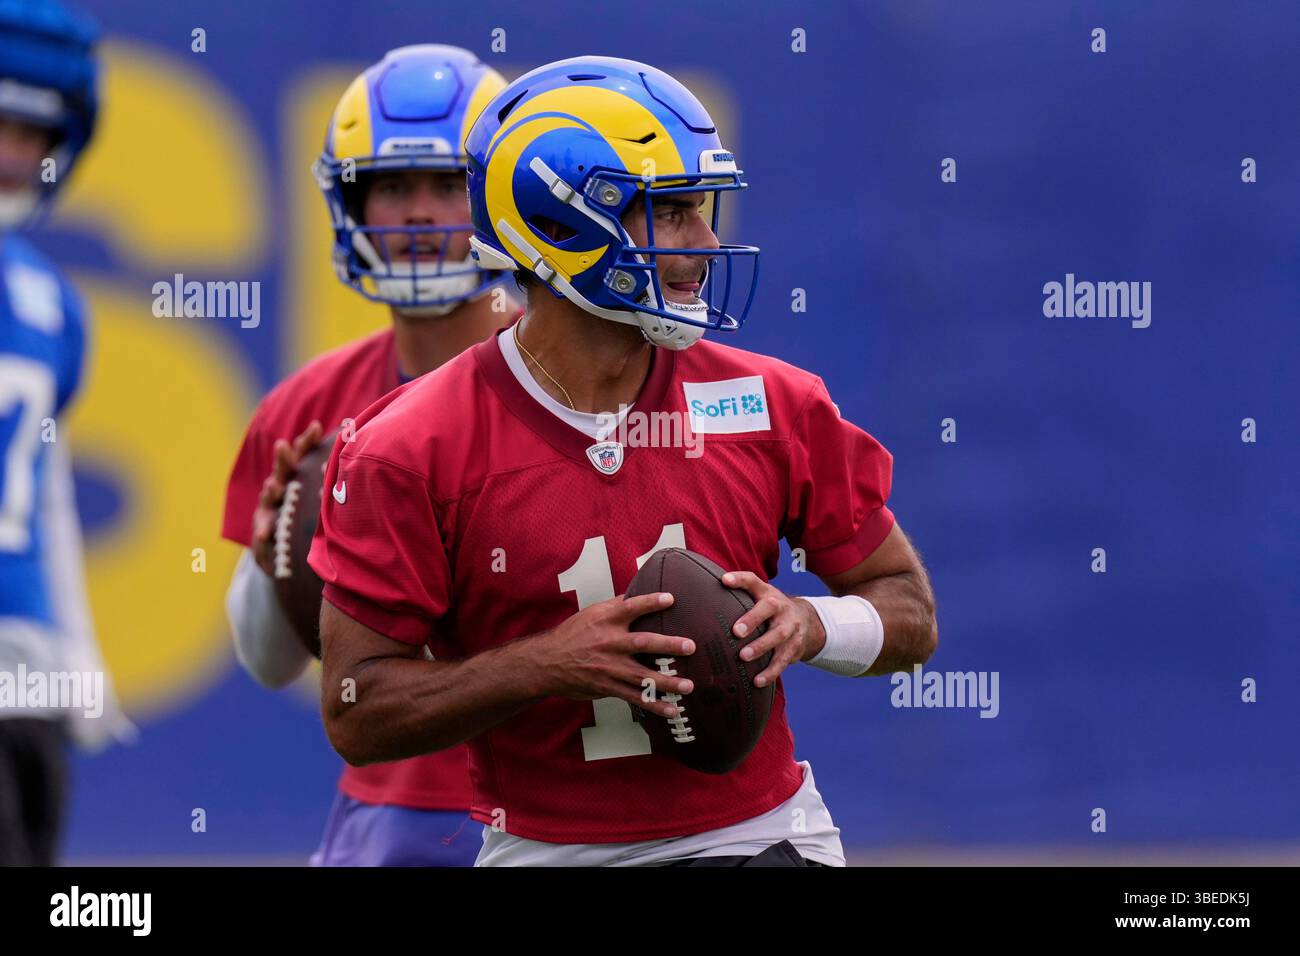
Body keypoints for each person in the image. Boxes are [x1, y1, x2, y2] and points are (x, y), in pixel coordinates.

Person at [310, 56, 938, 866]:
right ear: (558, 224)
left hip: (762, 837)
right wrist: (542, 665)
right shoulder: (409, 445)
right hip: (547, 849)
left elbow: (909, 612)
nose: (706, 244)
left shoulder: (772, 402)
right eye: (671, 213)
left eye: (702, 210)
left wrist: (814, 622)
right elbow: (356, 711)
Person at [220, 45, 514, 867]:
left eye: (447, 184)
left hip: (560, 812)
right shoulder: (305, 411)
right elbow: (269, 663)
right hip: (390, 814)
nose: (419, 213)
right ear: (354, 204)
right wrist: (280, 544)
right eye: (390, 186)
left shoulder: (578, 377)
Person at [0, 0, 131, 867]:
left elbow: (42, 490)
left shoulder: (49, 303)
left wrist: (77, 661)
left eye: (33, 133)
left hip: (25, 676)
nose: (14, 155)